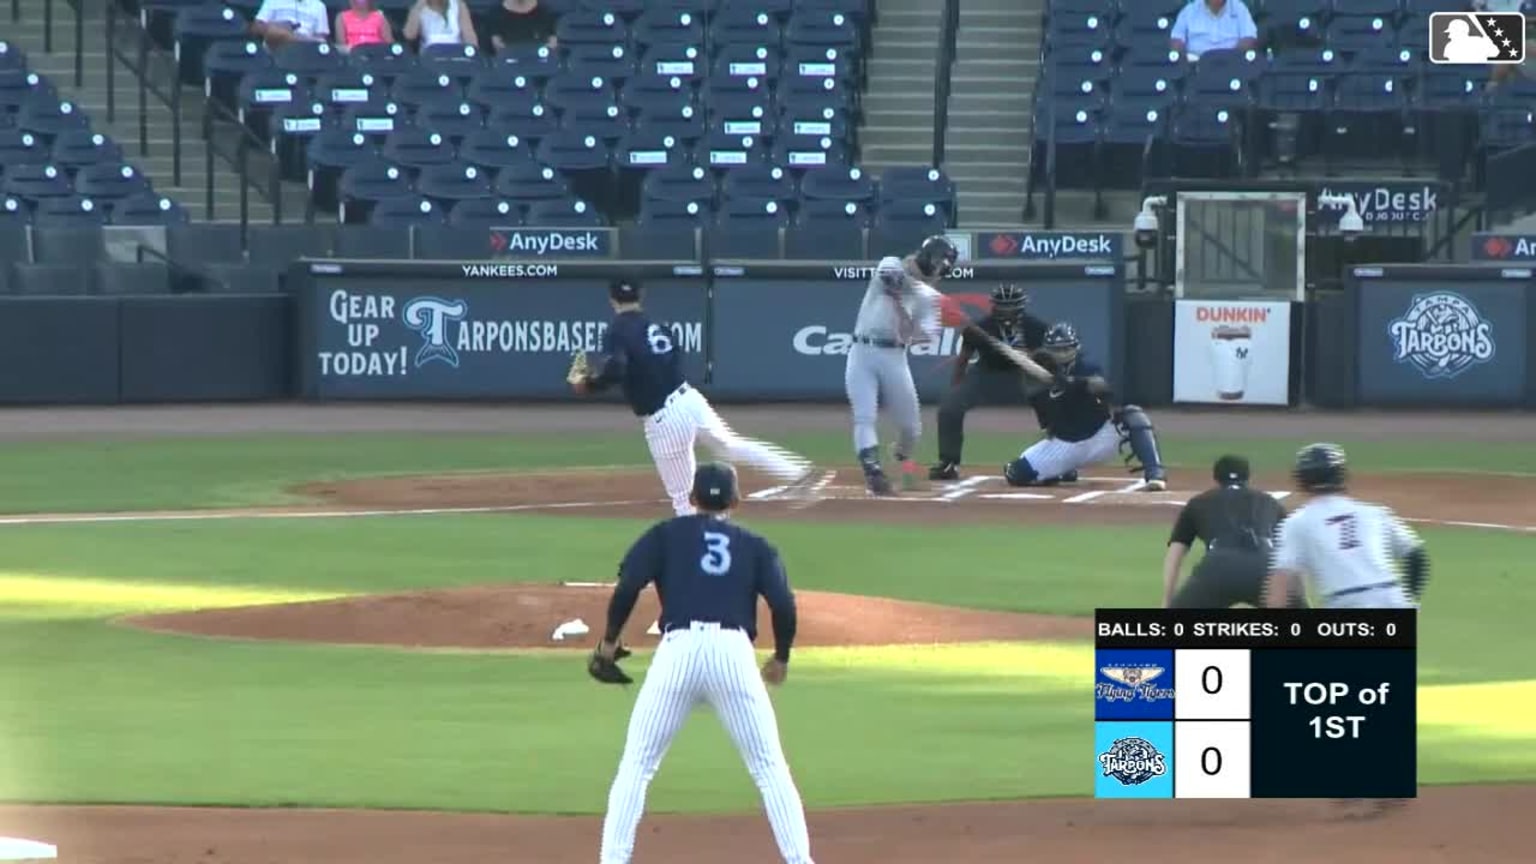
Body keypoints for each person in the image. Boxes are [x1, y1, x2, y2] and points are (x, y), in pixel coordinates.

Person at [594, 462, 816, 864]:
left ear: (692, 499)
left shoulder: (664, 534)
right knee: (769, 769)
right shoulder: (756, 545)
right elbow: (783, 604)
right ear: (736, 501)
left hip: (677, 653)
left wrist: (608, 643)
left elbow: (628, 586)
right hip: (733, 654)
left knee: (638, 765)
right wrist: (781, 657)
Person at [568, 279, 825, 515]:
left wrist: (590, 386)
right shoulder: (656, 326)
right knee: (730, 445)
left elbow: (617, 369)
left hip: (664, 418)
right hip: (689, 399)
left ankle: (701, 549)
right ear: (641, 296)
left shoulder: (616, 331)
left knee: (683, 497)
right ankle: (798, 472)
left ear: (612, 299)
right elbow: (672, 358)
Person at [845, 236, 954, 496]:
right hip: (862, 352)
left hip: (894, 357)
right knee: (864, 415)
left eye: (944, 267)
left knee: (911, 427)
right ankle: (872, 470)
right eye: (938, 264)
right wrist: (905, 288)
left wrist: (908, 318)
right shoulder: (892, 262)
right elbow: (891, 276)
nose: (940, 270)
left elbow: (922, 335)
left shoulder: (929, 299)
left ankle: (901, 457)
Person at [1002, 322, 1168, 490]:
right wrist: (1042, 391)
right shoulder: (1038, 382)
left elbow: (1102, 387)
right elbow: (1046, 423)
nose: (1062, 354)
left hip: (1100, 438)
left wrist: (1070, 383)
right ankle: (1061, 471)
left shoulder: (1087, 366)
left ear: (1076, 348)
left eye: (1066, 349)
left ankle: (1155, 473)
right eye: (1056, 350)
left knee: (1133, 415)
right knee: (1015, 473)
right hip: (1065, 445)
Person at [1266, 443, 1428, 610]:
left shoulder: (1296, 522)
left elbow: (1281, 582)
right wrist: (1410, 600)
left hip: (1345, 602)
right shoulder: (1374, 512)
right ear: (1342, 475)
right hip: (1393, 598)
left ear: (1301, 480)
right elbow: (1416, 555)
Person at [928, 283, 1049, 482]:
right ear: (994, 306)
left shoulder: (1036, 328)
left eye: (1011, 306)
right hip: (987, 374)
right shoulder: (980, 329)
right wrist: (955, 390)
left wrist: (1030, 356)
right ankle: (948, 463)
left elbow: (1047, 362)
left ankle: (1060, 462)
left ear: (1021, 306)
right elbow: (963, 360)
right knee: (949, 408)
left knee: (1053, 406)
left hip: (1023, 375)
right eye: (1003, 306)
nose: (1007, 311)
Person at [1163, 455, 1303, 609]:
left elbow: (1175, 553)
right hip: (1264, 566)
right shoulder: (1269, 501)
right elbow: (1290, 552)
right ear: (1248, 477)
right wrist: (1299, 598)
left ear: (1215, 478)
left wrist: (1168, 602)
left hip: (1218, 568)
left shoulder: (1198, 502)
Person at [1169, 0, 1258, 59]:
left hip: (1231, 65)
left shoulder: (1239, 8)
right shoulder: (1189, 10)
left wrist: (1232, 58)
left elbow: (1249, 39)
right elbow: (1176, 40)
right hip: (1196, 67)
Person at [249, 0, 330, 48]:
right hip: (276, 46)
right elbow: (255, 28)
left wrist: (297, 38)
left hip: (305, 50)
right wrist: (279, 26)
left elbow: (321, 40)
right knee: (276, 32)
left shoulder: (319, 6)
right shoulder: (273, 1)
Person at [487, 0, 558, 53]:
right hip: (509, 64)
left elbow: (553, 41)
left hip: (541, 63)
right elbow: (497, 44)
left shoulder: (545, 11)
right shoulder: (495, 13)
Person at [402, 0, 478, 49]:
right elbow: (409, 35)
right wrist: (418, 7)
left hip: (456, 54)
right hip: (429, 56)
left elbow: (470, 37)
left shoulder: (458, 5)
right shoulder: (418, 8)